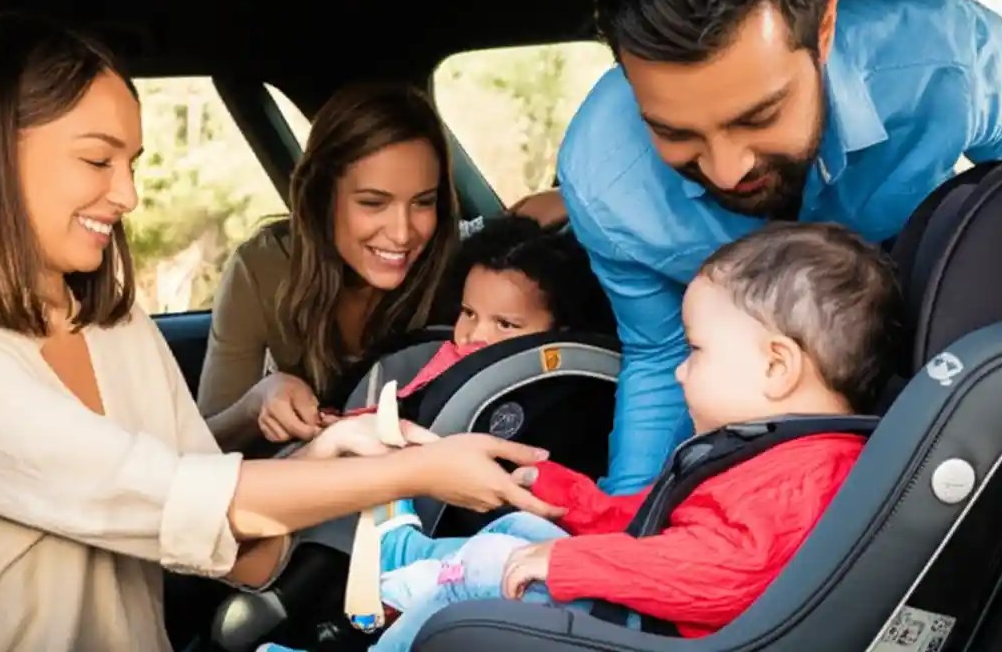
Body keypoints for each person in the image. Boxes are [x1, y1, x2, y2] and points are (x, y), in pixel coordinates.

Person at [0, 11, 562, 652]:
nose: (126, 194)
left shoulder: (112, 320)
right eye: (98, 160)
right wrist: (415, 471)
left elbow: (241, 550)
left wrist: (323, 455)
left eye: (131, 165)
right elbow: (168, 497)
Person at [560, 0, 1002, 493]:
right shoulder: (603, 182)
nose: (726, 169)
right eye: (674, 133)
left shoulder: (950, 58)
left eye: (759, 117)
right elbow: (661, 353)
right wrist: (633, 513)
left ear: (823, 29)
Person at [259, 221, 902, 652]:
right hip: (647, 613)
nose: (678, 369)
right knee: (521, 533)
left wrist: (570, 563)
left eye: (697, 351)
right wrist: (560, 496)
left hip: (661, 634)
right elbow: (650, 527)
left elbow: (720, 572)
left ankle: (398, 609)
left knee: (487, 583)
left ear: (776, 366)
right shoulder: (774, 453)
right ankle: (405, 565)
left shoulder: (811, 477)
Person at [197, 82, 461, 453]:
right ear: (323, 196)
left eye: (423, 202)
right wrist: (259, 400)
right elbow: (200, 448)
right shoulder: (263, 269)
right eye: (373, 203)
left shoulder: (456, 265)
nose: (403, 233)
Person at [332, 214, 615, 423]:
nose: (475, 335)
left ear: (561, 332)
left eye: (505, 324)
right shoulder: (416, 360)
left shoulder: (577, 400)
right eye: (468, 313)